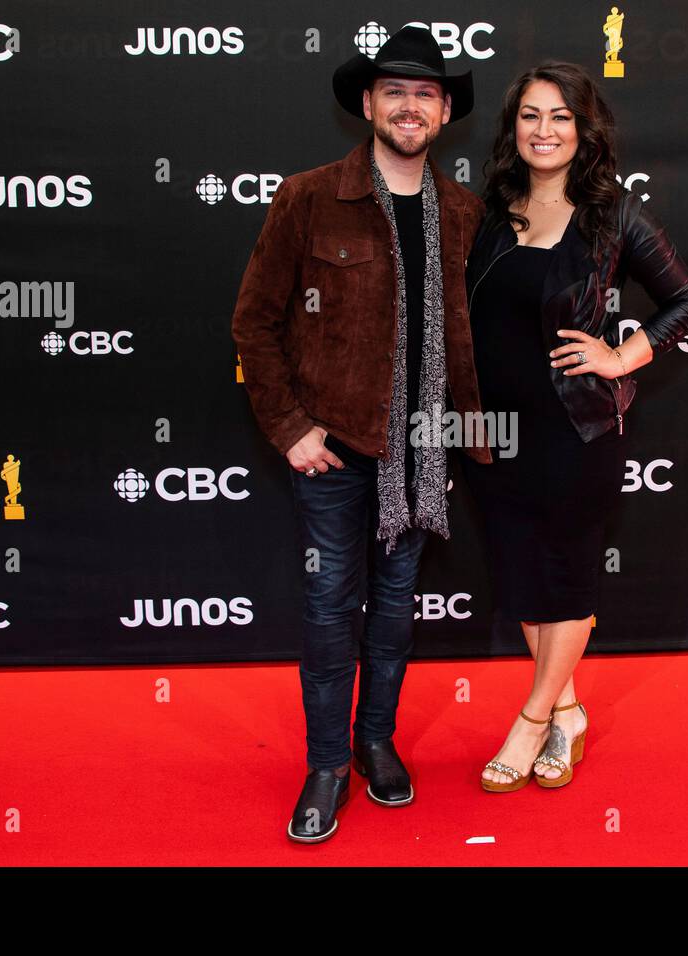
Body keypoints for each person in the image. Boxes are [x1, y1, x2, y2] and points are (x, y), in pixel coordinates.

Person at [230, 26, 491, 842]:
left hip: (422, 449)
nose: (410, 106)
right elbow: (254, 323)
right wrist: (290, 425)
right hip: (335, 448)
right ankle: (326, 764)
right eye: (395, 92)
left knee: (395, 610)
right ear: (369, 105)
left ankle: (376, 743)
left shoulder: (464, 211)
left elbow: (480, 328)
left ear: (444, 111)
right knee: (328, 606)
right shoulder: (309, 197)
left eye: (425, 93)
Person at [462, 61, 688, 791]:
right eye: (531, 115)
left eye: (560, 117)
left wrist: (620, 354)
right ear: (512, 128)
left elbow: (685, 303)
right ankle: (568, 711)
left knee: (566, 579)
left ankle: (532, 720)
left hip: (576, 428)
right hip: (493, 432)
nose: (544, 130)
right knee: (522, 577)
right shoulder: (488, 210)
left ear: (584, 129)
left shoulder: (614, 215)